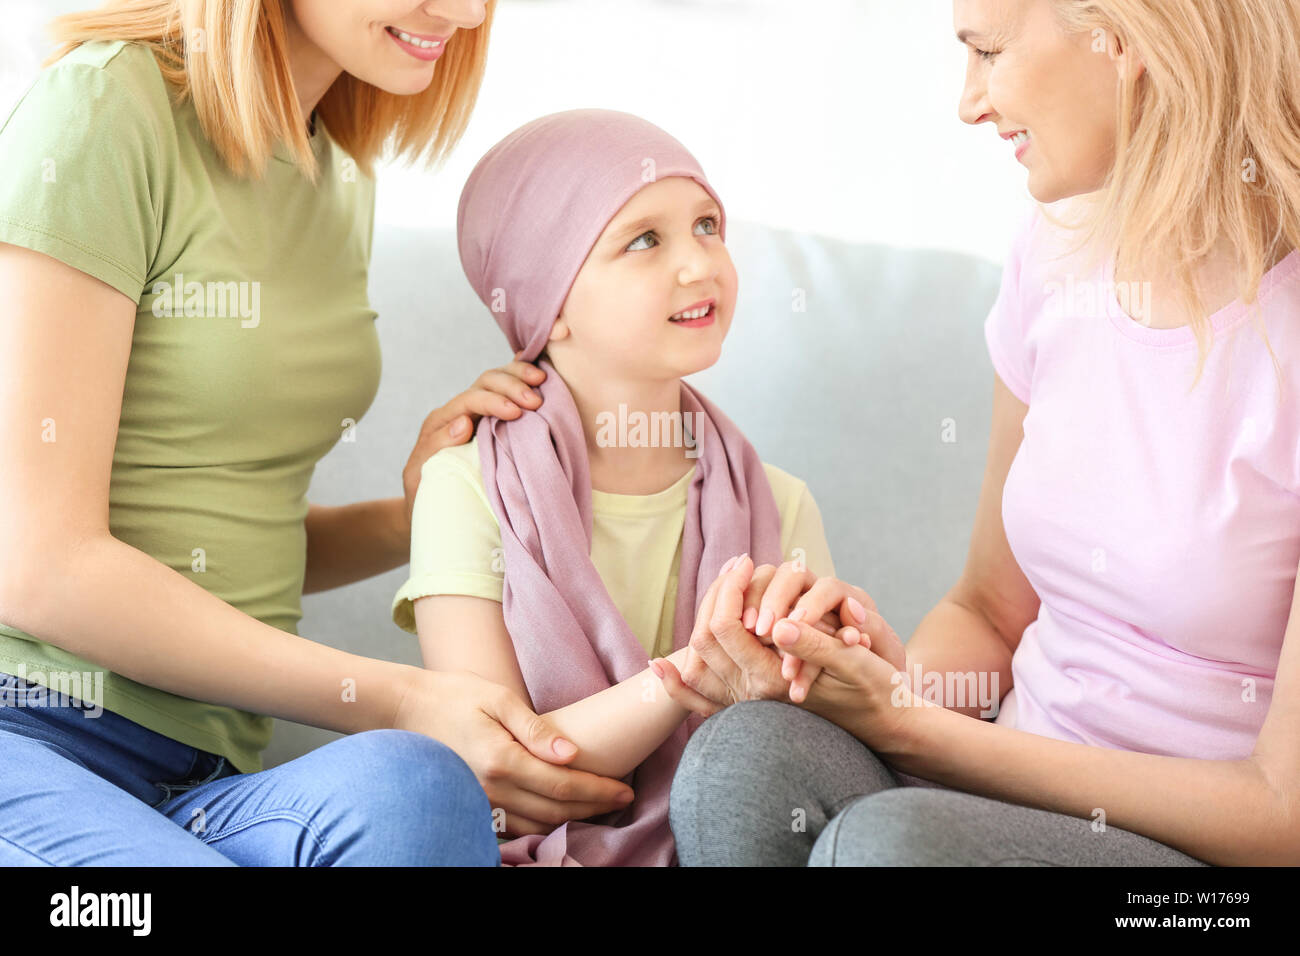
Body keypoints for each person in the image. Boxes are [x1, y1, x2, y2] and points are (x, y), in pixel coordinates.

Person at [660, 0, 1300, 867]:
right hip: (993, 792)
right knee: (744, 758)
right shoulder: (1057, 254)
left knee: (896, 849)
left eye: (989, 51)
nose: (970, 102)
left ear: (1130, 38)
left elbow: (1281, 811)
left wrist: (916, 732)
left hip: (1201, 876)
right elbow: (992, 614)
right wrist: (873, 687)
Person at [0, 0, 635, 866]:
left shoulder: (335, 169)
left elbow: (219, 541)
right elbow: (38, 564)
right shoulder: (104, 107)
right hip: (27, 729)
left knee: (417, 790)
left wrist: (428, 509)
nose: (461, 12)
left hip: (208, 776)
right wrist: (402, 696)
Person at [391, 109, 840, 865]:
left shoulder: (780, 499)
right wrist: (693, 675)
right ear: (548, 304)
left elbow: (811, 747)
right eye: (644, 241)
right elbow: (501, 765)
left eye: (706, 225)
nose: (700, 263)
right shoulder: (464, 491)